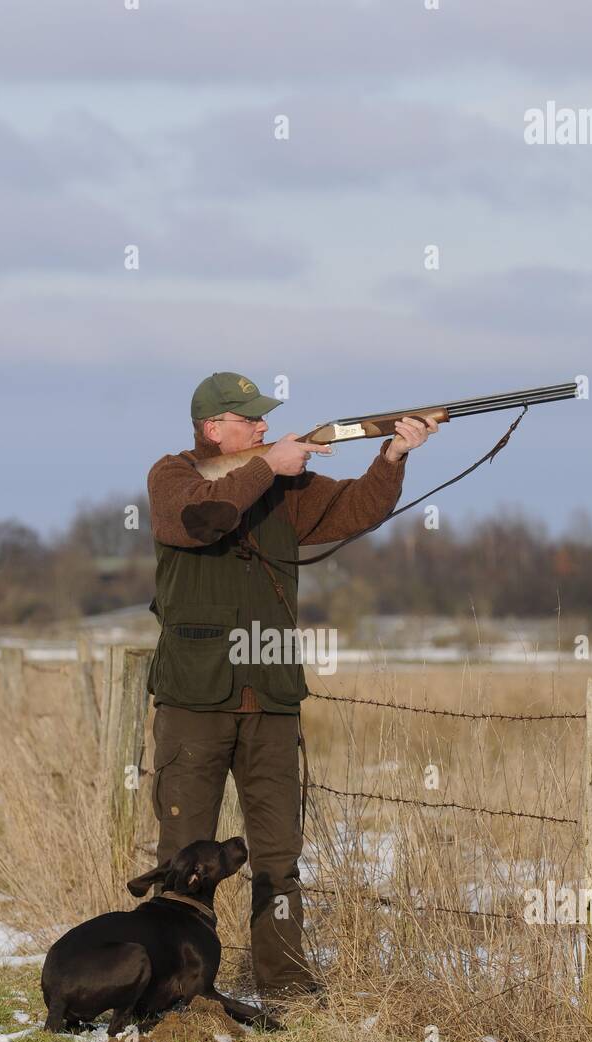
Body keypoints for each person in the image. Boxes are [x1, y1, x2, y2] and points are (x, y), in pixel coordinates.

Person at [145, 371, 440, 1000]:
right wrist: (268, 466)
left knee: (277, 857)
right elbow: (199, 520)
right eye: (248, 419)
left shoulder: (287, 487)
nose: (261, 426)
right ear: (211, 426)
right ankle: (175, 988)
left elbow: (357, 509)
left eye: (261, 419)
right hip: (195, 696)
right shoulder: (172, 476)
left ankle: (286, 985)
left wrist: (391, 456)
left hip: (271, 696)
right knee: (181, 857)